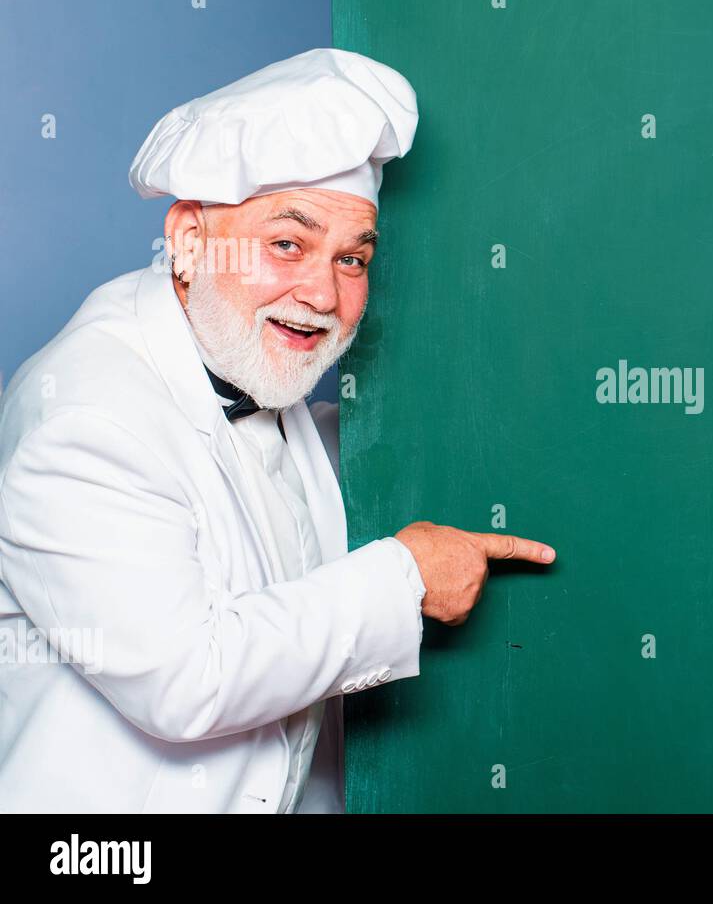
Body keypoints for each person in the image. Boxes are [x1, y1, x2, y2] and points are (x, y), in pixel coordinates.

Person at [0, 48, 556, 813]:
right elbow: (185, 680)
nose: (322, 292)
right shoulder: (85, 417)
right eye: (286, 245)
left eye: (353, 259)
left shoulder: (261, 380)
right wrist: (405, 577)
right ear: (189, 241)